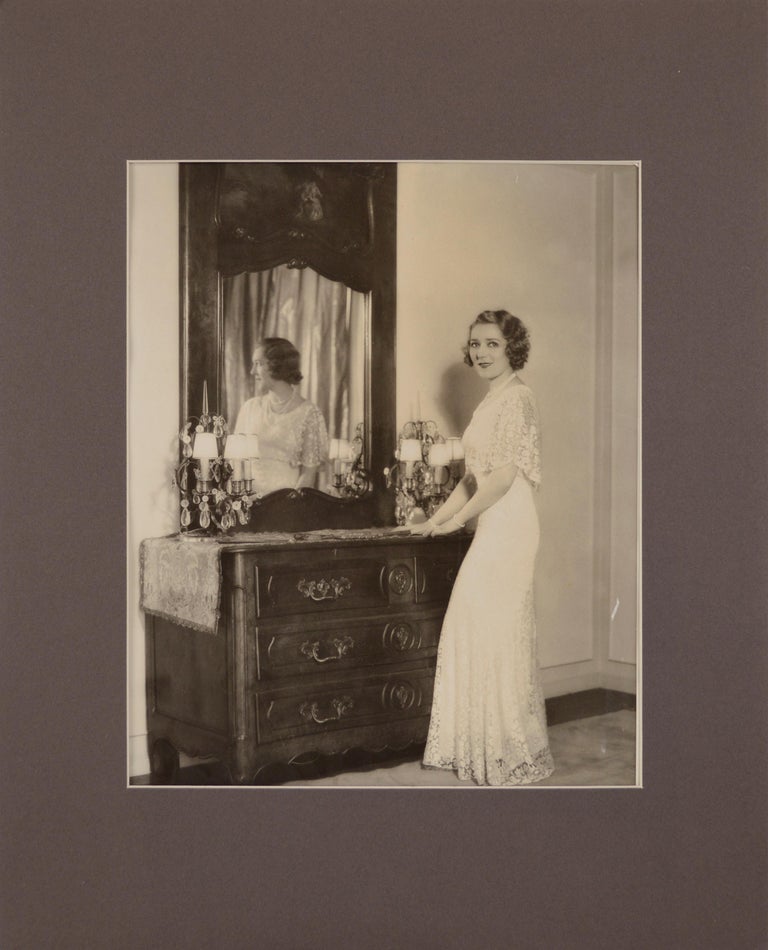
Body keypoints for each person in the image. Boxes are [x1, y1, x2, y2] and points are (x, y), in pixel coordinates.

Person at [411, 310, 554, 786]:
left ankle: (505, 751)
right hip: (491, 522)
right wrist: (433, 521)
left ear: (512, 347)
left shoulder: (519, 399)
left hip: (511, 528)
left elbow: (505, 478)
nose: (481, 353)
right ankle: (479, 746)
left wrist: (457, 523)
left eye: (492, 344)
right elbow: (472, 477)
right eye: (475, 344)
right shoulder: (489, 402)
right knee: (472, 627)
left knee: (494, 632)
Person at [234, 337, 329, 493]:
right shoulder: (249, 408)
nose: (252, 371)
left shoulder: (308, 413)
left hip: (286, 508)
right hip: (248, 504)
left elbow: (308, 475)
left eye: (258, 364)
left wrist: (288, 508)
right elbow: (235, 464)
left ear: (277, 365)